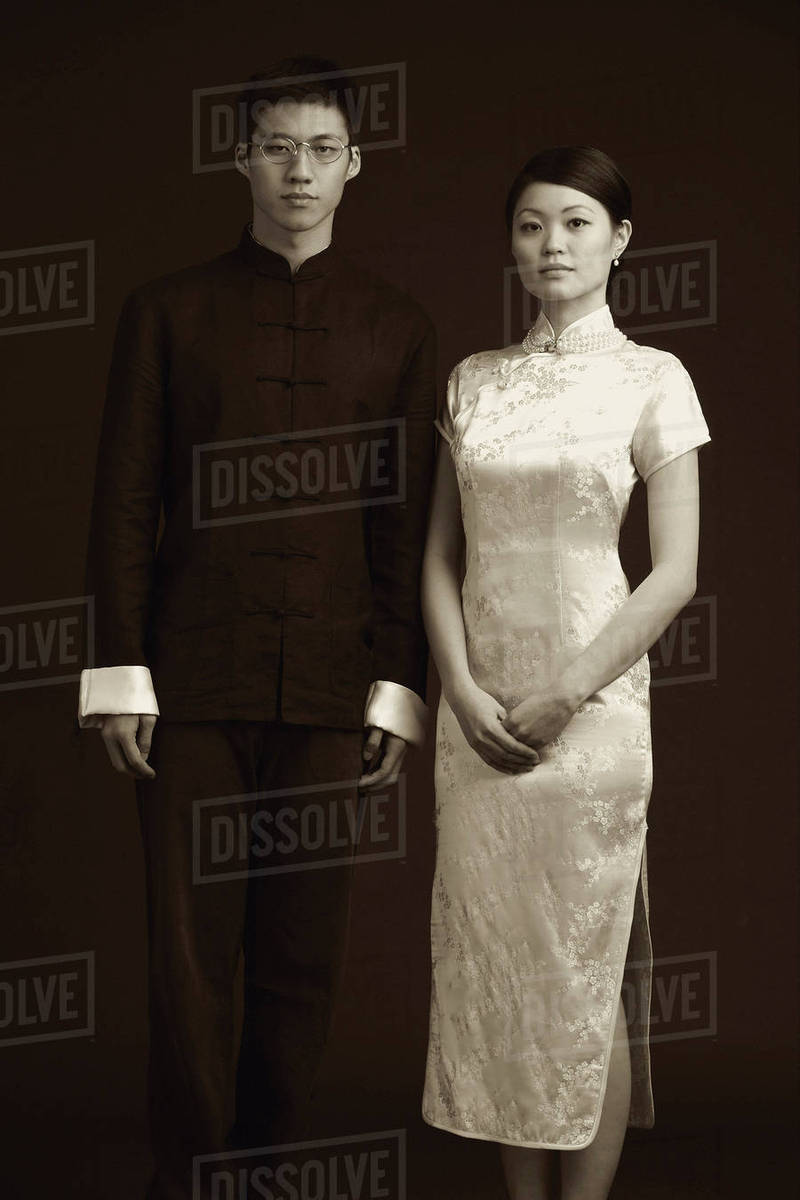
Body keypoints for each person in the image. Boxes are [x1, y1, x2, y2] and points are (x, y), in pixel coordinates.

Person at [77, 56, 436, 1199]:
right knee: (188, 966)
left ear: (352, 164)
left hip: (332, 689)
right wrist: (120, 669)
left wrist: (395, 685)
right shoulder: (166, 311)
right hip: (189, 679)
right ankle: (191, 1178)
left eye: (320, 149)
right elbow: (126, 498)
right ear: (241, 158)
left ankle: (270, 1176)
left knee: (299, 960)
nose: (298, 170)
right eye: (277, 147)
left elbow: (405, 520)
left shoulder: (396, 324)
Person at [420, 145, 711, 1200]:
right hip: (479, 709)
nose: (553, 244)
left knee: (579, 976)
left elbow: (672, 573)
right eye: (534, 224)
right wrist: (457, 687)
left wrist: (564, 692)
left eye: (578, 223)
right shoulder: (473, 381)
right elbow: (441, 557)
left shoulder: (651, 379)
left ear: (620, 240)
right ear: (511, 241)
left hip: (587, 713)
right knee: (502, 974)